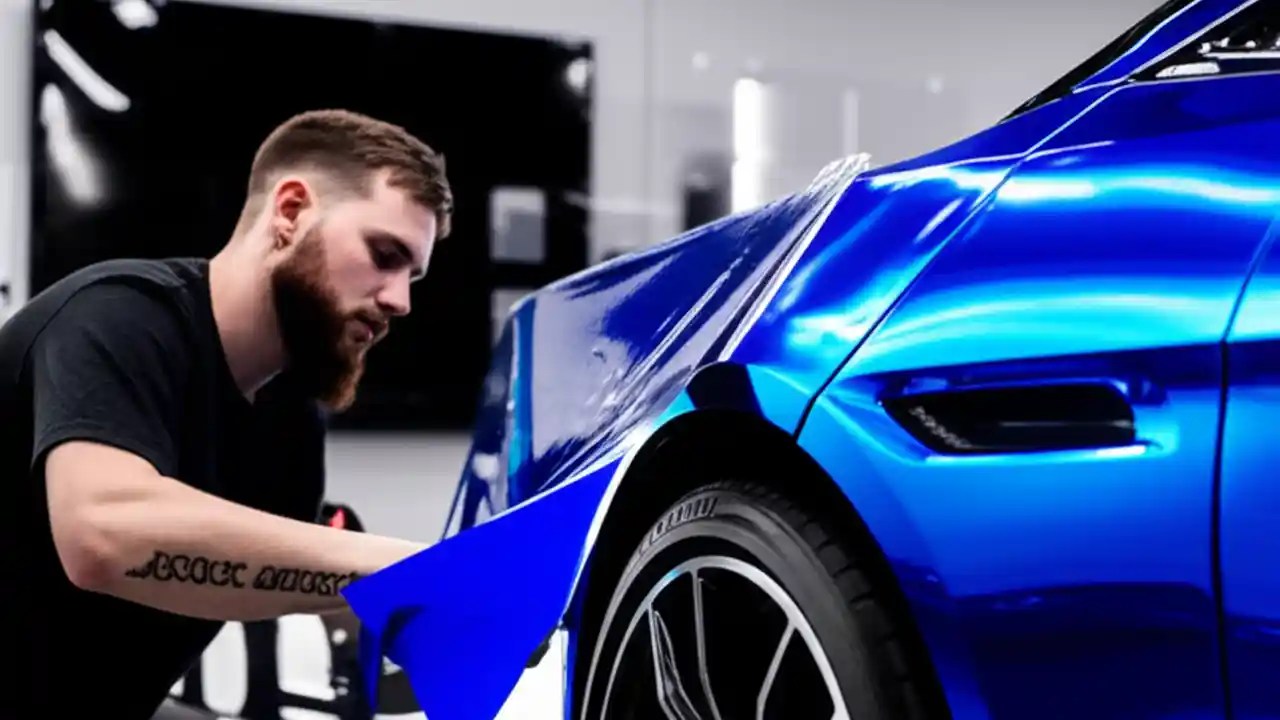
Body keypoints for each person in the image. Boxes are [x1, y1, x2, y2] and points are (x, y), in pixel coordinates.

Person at [0, 108, 454, 718]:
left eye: (413, 277)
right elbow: (103, 535)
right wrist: (404, 568)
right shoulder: (117, 319)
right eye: (383, 254)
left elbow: (260, 581)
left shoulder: (290, 422)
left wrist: (461, 604)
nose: (399, 301)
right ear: (291, 212)